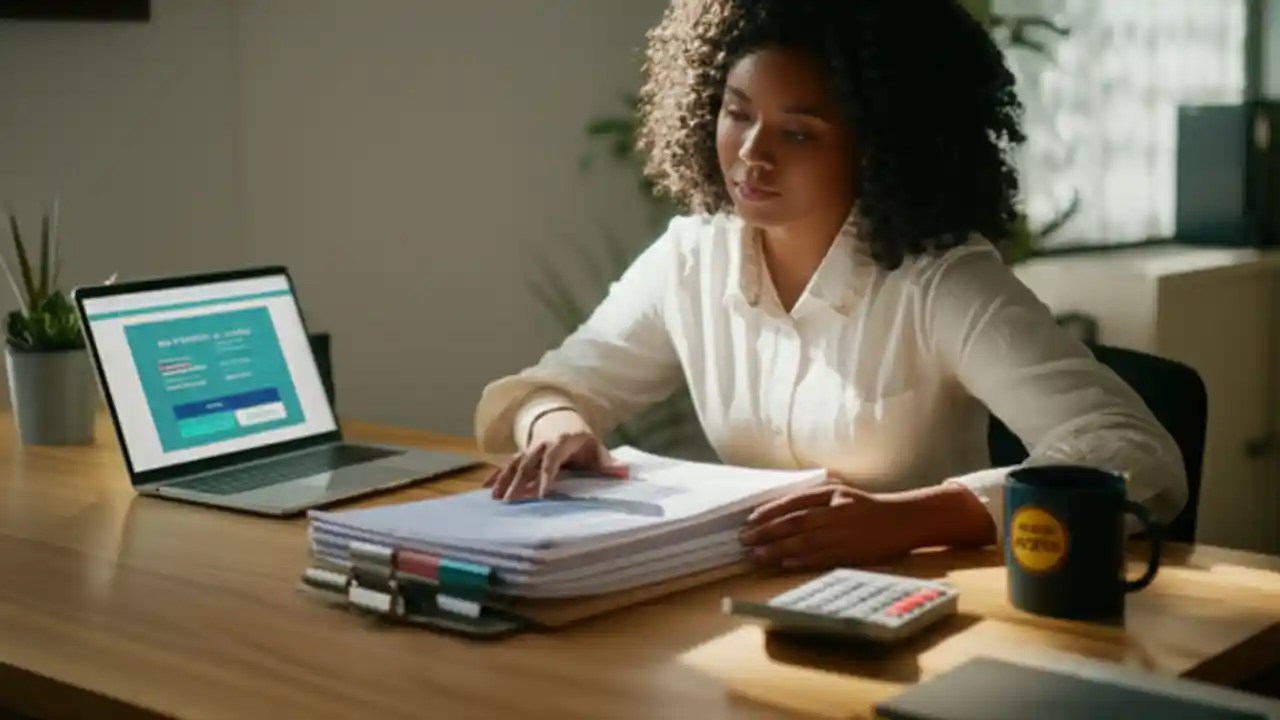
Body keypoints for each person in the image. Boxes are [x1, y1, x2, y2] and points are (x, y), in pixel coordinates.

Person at [473, 0, 1187, 571]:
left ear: (876, 146)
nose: (751, 154)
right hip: (755, 605)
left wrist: (908, 519)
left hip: (930, 613)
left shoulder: (940, 280)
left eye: (799, 133)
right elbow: (553, 388)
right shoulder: (692, 256)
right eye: (737, 112)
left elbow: (1133, 453)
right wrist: (558, 429)